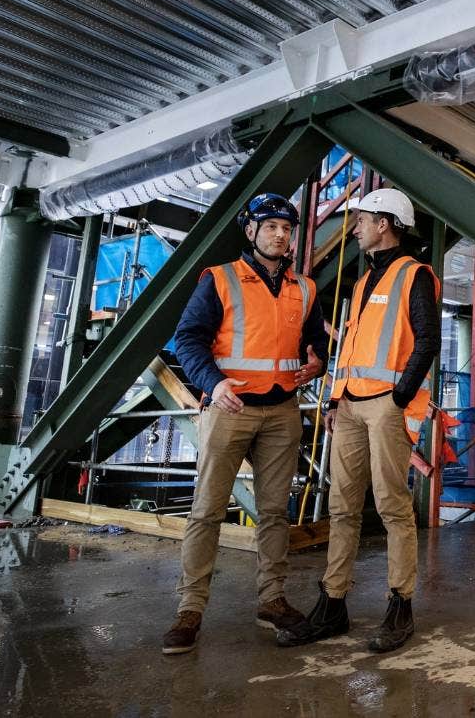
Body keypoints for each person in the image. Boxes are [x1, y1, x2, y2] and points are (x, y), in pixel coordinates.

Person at [162, 193, 327, 655]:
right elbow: (188, 340)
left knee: (275, 512)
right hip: (228, 407)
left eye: (287, 228)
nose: (281, 234)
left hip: (282, 412)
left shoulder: (306, 289)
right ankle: (189, 609)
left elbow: (316, 344)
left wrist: (317, 364)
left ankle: (272, 600)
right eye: (271, 226)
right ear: (251, 231)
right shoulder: (220, 279)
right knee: (207, 510)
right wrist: (212, 384)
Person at [278, 188, 440, 653]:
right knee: (341, 507)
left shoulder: (415, 275)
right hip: (347, 405)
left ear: (385, 223)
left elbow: (427, 341)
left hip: (385, 406)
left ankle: (400, 604)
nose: (356, 227)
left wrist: (399, 396)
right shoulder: (361, 282)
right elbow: (349, 349)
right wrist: (332, 401)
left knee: (392, 506)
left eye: (363, 219)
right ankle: (332, 604)